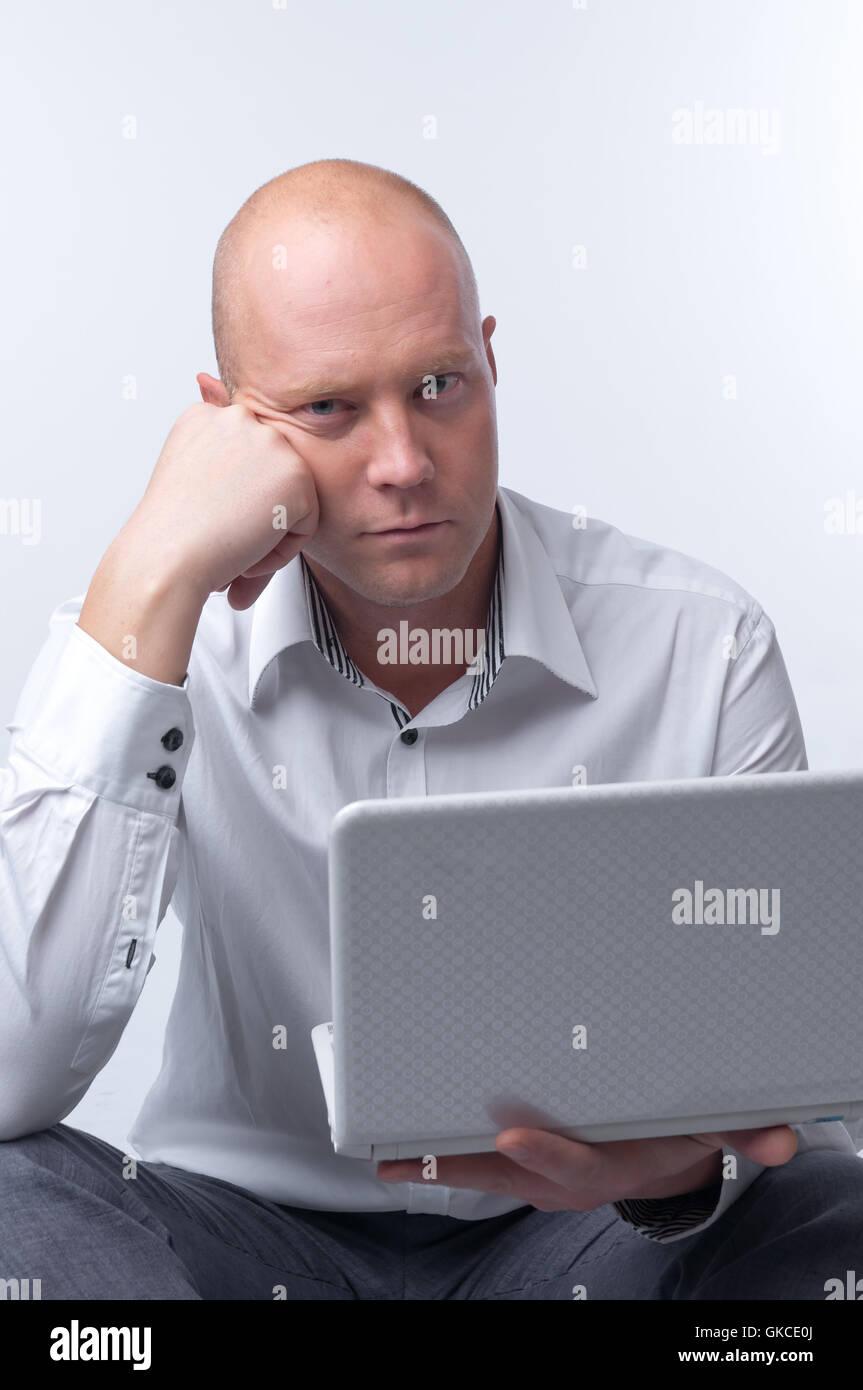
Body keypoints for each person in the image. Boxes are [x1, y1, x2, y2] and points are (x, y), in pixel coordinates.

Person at [1, 158, 861, 1301]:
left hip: (581, 1241)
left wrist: (672, 1176)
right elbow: (10, 1075)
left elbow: (779, 1081)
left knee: (826, 1210)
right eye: (328, 409)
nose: (402, 463)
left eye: (440, 384)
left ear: (491, 358)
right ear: (230, 426)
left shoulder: (699, 645)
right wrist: (148, 573)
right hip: (237, 1239)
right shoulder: (158, 647)